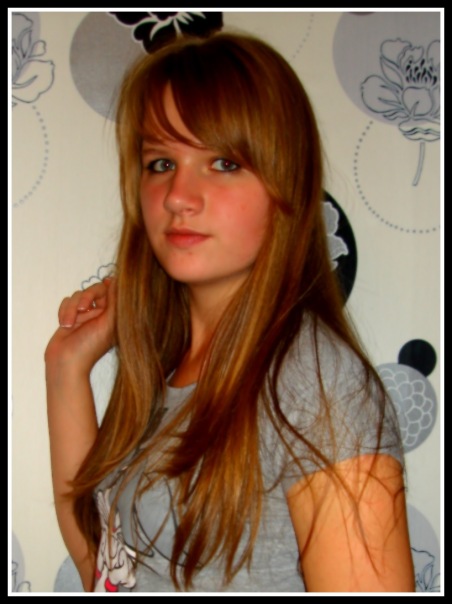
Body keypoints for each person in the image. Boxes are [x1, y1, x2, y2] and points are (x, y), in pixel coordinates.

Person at [45, 30, 415, 593]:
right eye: (160, 162)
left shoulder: (315, 387)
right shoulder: (165, 370)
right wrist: (66, 370)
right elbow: (108, 573)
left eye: (222, 162)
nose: (177, 196)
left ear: (286, 182)